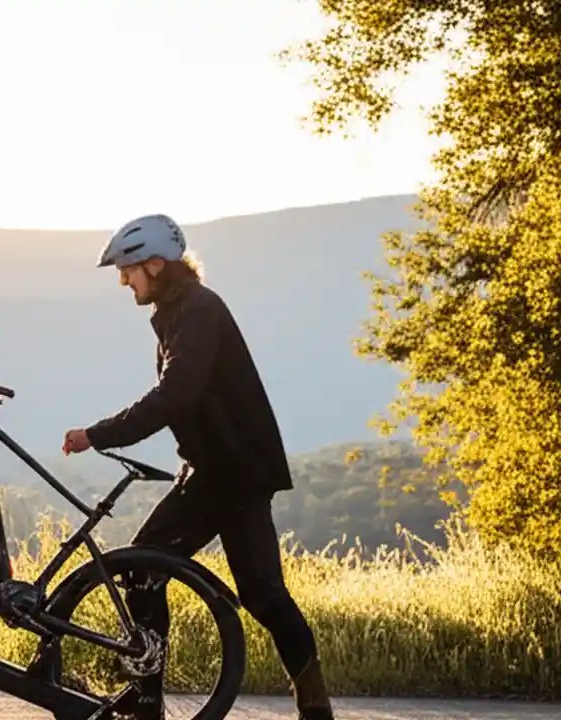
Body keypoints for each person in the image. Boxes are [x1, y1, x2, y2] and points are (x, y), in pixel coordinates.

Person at [61, 214, 335, 720]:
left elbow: (175, 397)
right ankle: (315, 710)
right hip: (226, 471)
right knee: (261, 594)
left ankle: (148, 705)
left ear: (156, 265)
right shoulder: (180, 310)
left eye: (127, 271)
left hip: (226, 474)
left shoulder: (198, 312)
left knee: (145, 569)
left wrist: (96, 434)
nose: (123, 281)